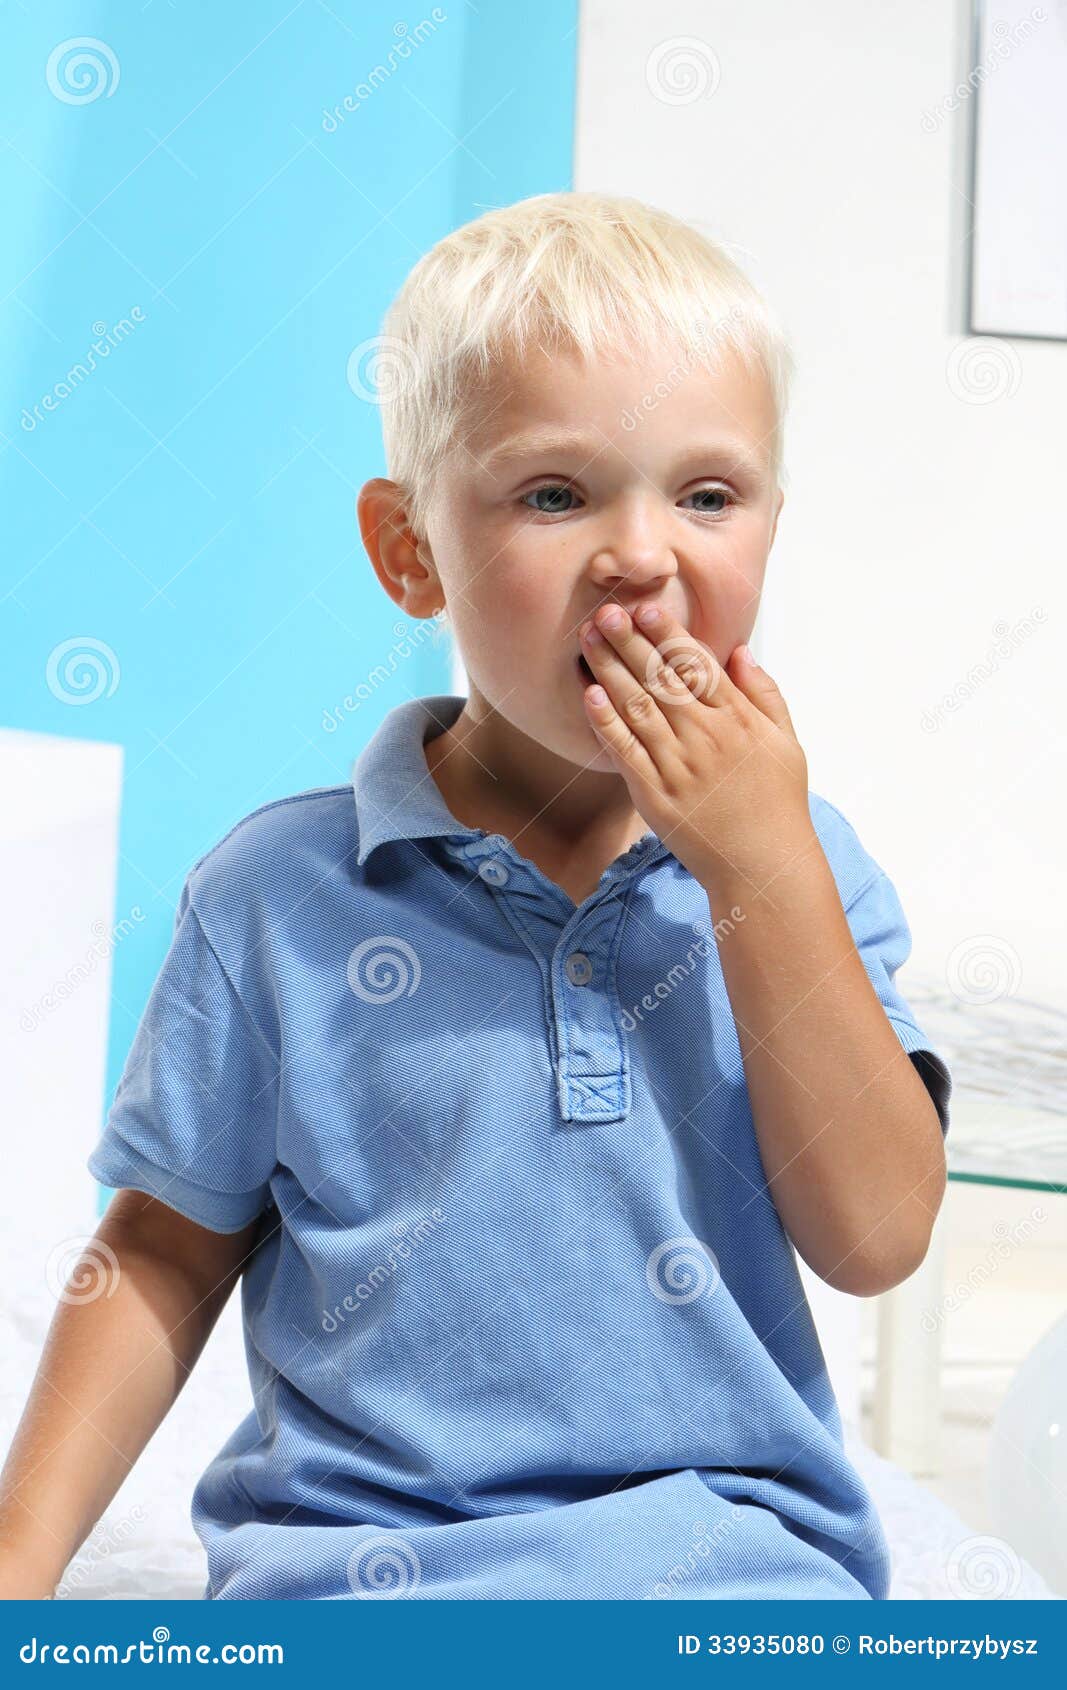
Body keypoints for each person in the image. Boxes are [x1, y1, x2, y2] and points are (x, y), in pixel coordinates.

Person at [0, 192, 951, 1601]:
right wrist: (15, 1573)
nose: (643, 555)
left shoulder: (808, 866)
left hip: (736, 1582)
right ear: (412, 552)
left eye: (708, 495)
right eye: (555, 495)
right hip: (357, 1584)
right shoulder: (275, 898)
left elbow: (876, 1238)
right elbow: (156, 1253)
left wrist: (762, 873)